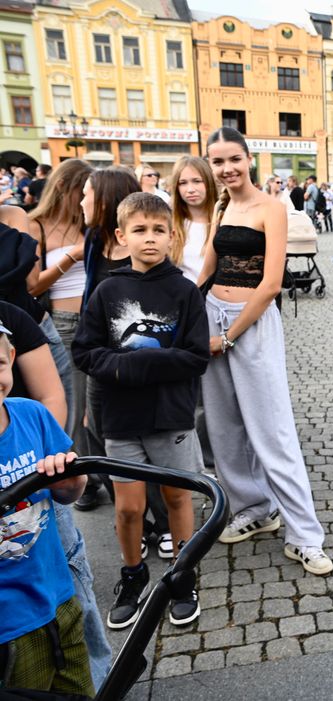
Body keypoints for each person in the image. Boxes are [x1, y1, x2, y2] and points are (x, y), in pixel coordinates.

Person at [199, 127, 332, 576]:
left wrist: (230, 336)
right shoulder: (222, 207)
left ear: (249, 158)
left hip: (250, 325)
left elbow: (271, 283)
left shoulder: (272, 208)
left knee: (272, 431)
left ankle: (305, 535)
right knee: (224, 428)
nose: (226, 169)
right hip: (212, 317)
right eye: (217, 162)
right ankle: (254, 508)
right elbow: (206, 270)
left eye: (233, 159)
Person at [72, 193, 208, 629]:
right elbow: (85, 352)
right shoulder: (107, 290)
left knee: (176, 497)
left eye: (158, 230)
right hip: (122, 420)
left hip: (171, 417)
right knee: (129, 509)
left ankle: (183, 577)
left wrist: (139, 364)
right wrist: (124, 368)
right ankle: (133, 574)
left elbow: (195, 356)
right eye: (139, 230)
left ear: (172, 235)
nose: (149, 238)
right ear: (121, 236)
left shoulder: (185, 291)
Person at [0, 322, 93, 696]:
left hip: (59, 596)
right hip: (9, 624)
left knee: (79, 690)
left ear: (11, 360)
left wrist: (68, 481)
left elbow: (71, 491)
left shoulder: (31, 415)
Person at [76, 167, 142, 512]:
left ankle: (156, 518)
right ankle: (126, 509)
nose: (81, 200)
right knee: (95, 428)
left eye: (87, 193)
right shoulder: (94, 240)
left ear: (104, 199)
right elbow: (89, 297)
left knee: (137, 436)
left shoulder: (138, 248)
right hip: (99, 359)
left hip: (134, 361)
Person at [25, 160, 93, 445]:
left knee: (96, 406)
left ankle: (99, 472)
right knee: (71, 404)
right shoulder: (35, 225)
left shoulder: (87, 222)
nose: (86, 199)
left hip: (96, 321)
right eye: (82, 191)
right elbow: (33, 284)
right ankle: (75, 475)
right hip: (63, 323)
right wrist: (71, 258)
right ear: (64, 187)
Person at [170, 156, 218, 284]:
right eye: (183, 183)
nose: (190, 189)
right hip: (185, 299)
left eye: (197, 181)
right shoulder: (170, 223)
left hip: (218, 300)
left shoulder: (224, 219)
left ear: (209, 182)